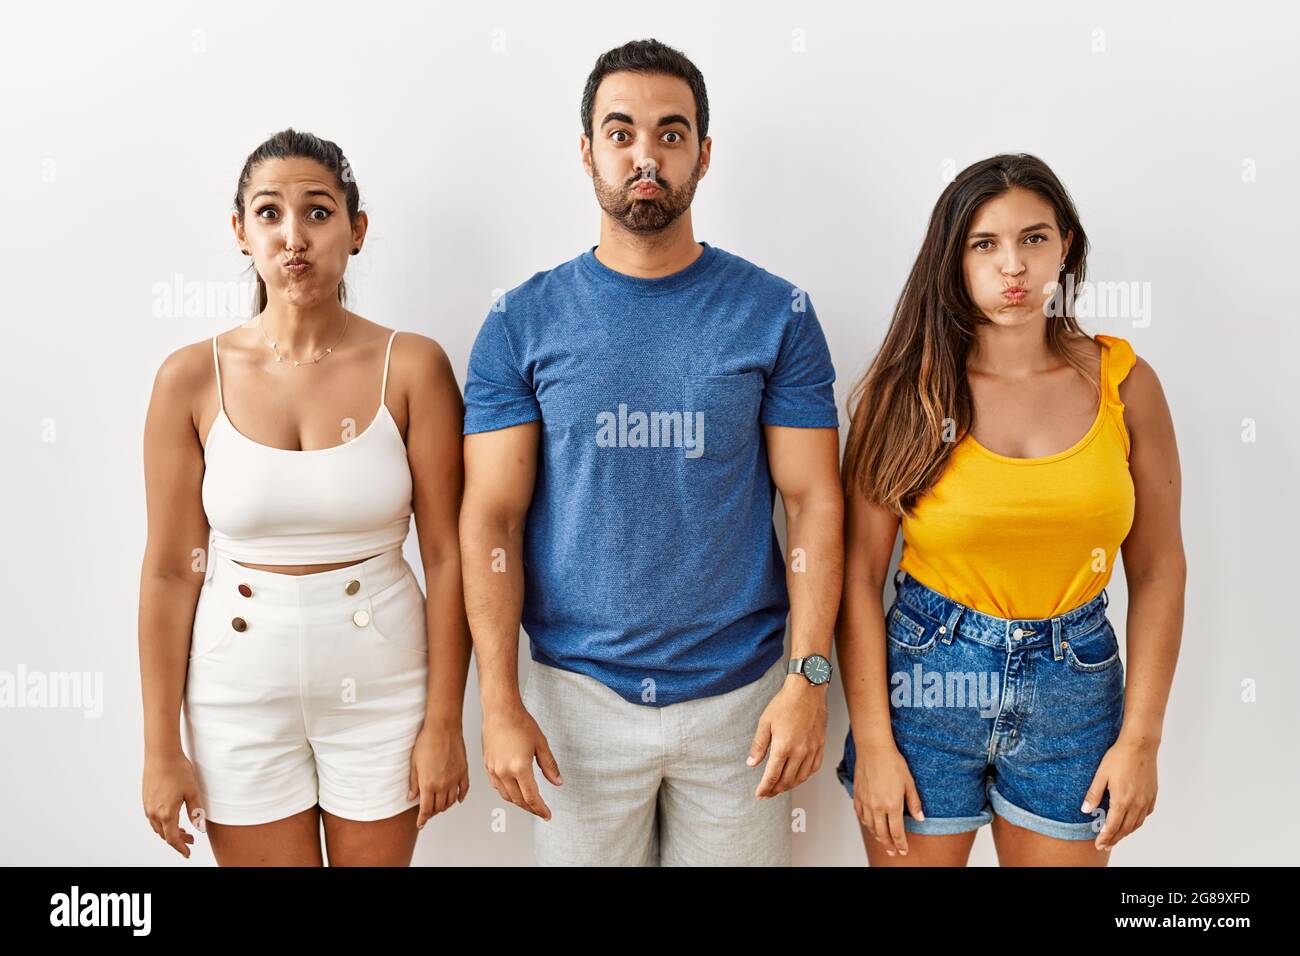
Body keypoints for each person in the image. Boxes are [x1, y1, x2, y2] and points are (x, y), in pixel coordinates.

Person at [460, 39, 843, 866]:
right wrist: (497, 699)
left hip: (742, 700)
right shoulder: (519, 323)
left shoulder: (778, 313)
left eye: (671, 135)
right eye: (621, 132)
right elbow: (491, 516)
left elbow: (814, 501)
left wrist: (809, 681)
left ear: (703, 155)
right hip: (574, 701)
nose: (646, 155)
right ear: (588, 150)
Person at [835, 153, 1185, 866]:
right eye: (985, 244)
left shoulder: (1127, 383)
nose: (1013, 267)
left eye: (1034, 239)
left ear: (1067, 247)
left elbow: (1158, 570)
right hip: (926, 682)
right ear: (954, 259)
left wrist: (1141, 738)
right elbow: (856, 574)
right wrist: (873, 741)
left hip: (1076, 689)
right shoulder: (905, 394)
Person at [139, 129, 471, 865]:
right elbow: (169, 571)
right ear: (240, 232)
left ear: (356, 229)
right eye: (269, 214)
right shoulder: (190, 379)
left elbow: (450, 556)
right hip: (236, 684)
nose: (294, 237)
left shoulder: (412, 366)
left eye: (318, 213)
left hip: (383, 680)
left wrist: (446, 721)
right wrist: (161, 747)